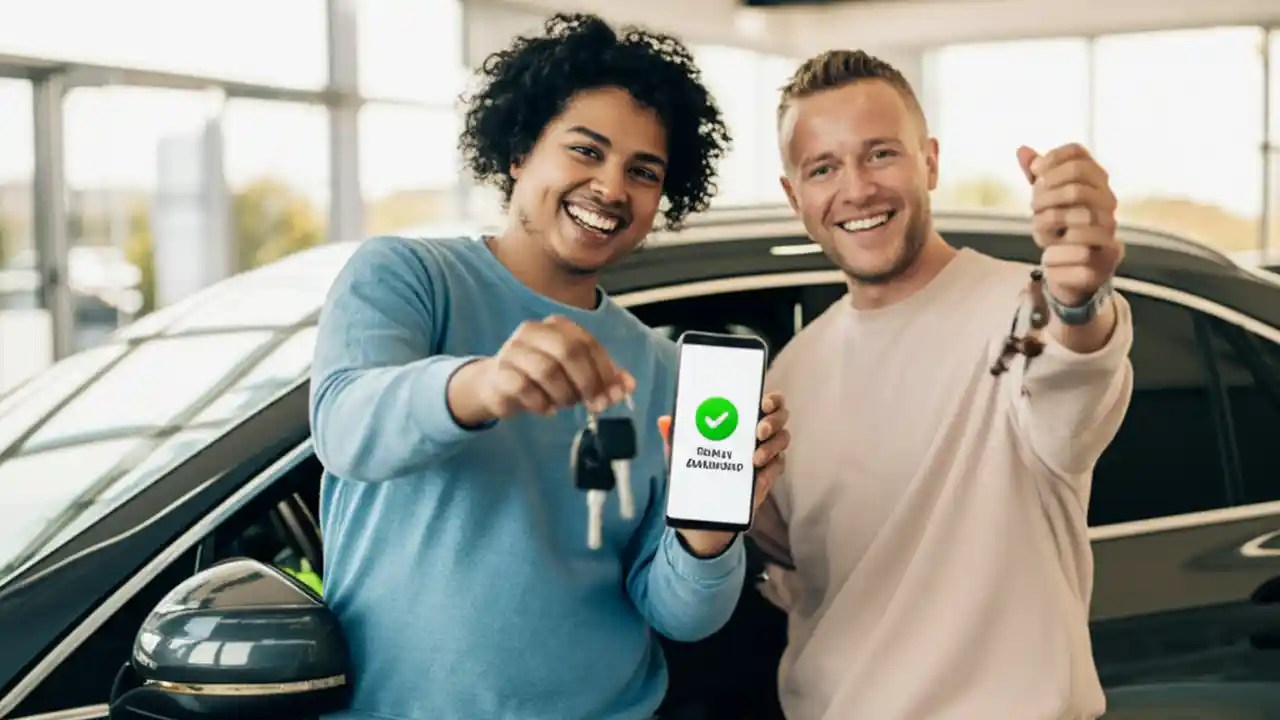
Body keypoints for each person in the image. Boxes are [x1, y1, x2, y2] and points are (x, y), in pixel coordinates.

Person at [308, 13, 791, 720]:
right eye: (585, 151)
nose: (611, 187)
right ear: (518, 151)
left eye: (643, 171)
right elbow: (346, 428)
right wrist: (481, 385)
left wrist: (710, 535)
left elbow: (680, 615)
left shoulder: (662, 368)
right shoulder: (408, 276)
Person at [749, 49, 1134, 719]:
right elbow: (796, 564)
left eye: (880, 154)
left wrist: (1078, 298)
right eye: (823, 167)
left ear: (928, 161)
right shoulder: (792, 370)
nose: (857, 188)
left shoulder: (1021, 307)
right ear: (794, 195)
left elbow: (1075, 374)